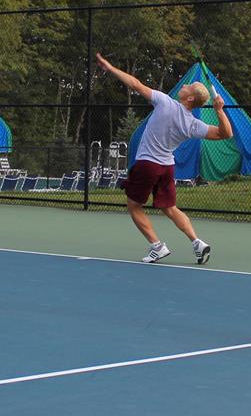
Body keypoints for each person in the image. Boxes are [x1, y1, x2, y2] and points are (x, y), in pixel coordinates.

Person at [95, 52, 234, 264]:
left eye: (189, 86)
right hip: (166, 167)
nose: (185, 85)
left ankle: (157, 246)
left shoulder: (164, 102)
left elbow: (136, 84)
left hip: (147, 164)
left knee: (133, 205)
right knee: (169, 208)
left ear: (189, 98)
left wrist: (112, 69)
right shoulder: (192, 125)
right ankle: (197, 242)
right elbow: (226, 134)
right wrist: (220, 111)